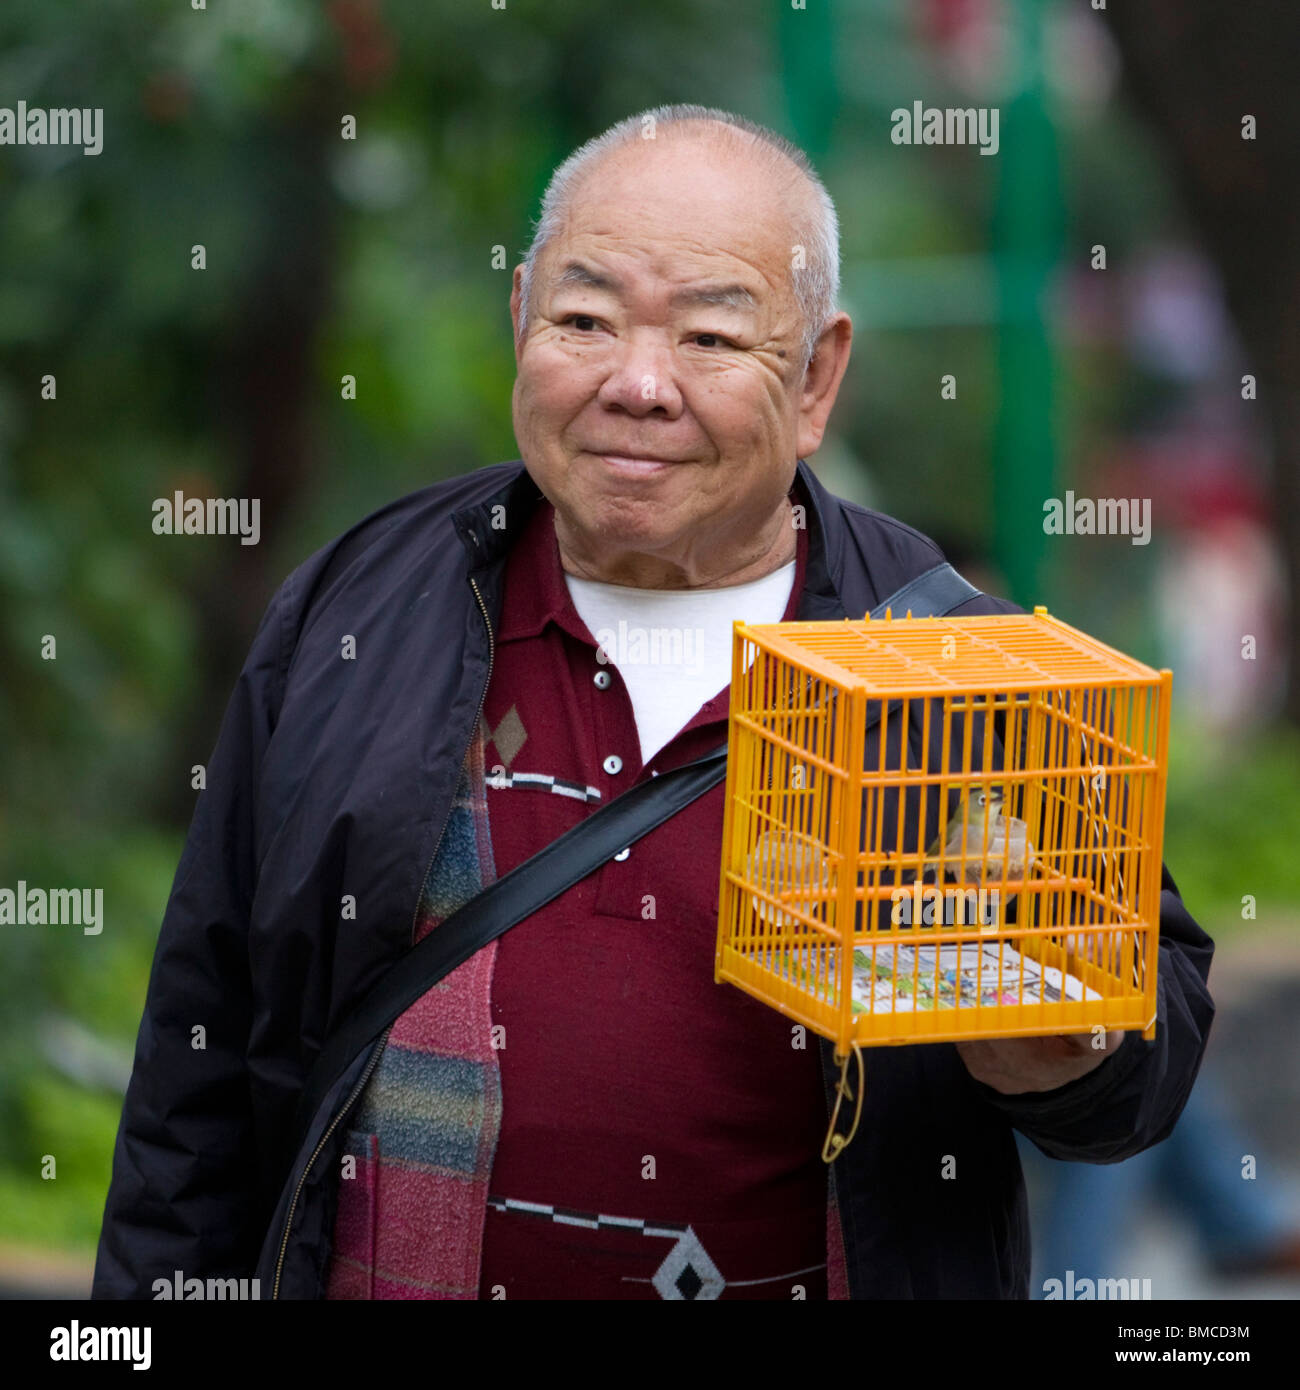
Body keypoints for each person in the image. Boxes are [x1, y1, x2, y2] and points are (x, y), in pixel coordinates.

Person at [92, 104, 1215, 1301]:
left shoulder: (945, 665)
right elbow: (197, 1069)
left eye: (711, 338)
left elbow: (1142, 1060)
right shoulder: (360, 609)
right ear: (520, 317)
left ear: (818, 373)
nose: (637, 384)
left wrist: (1057, 1052)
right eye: (583, 321)